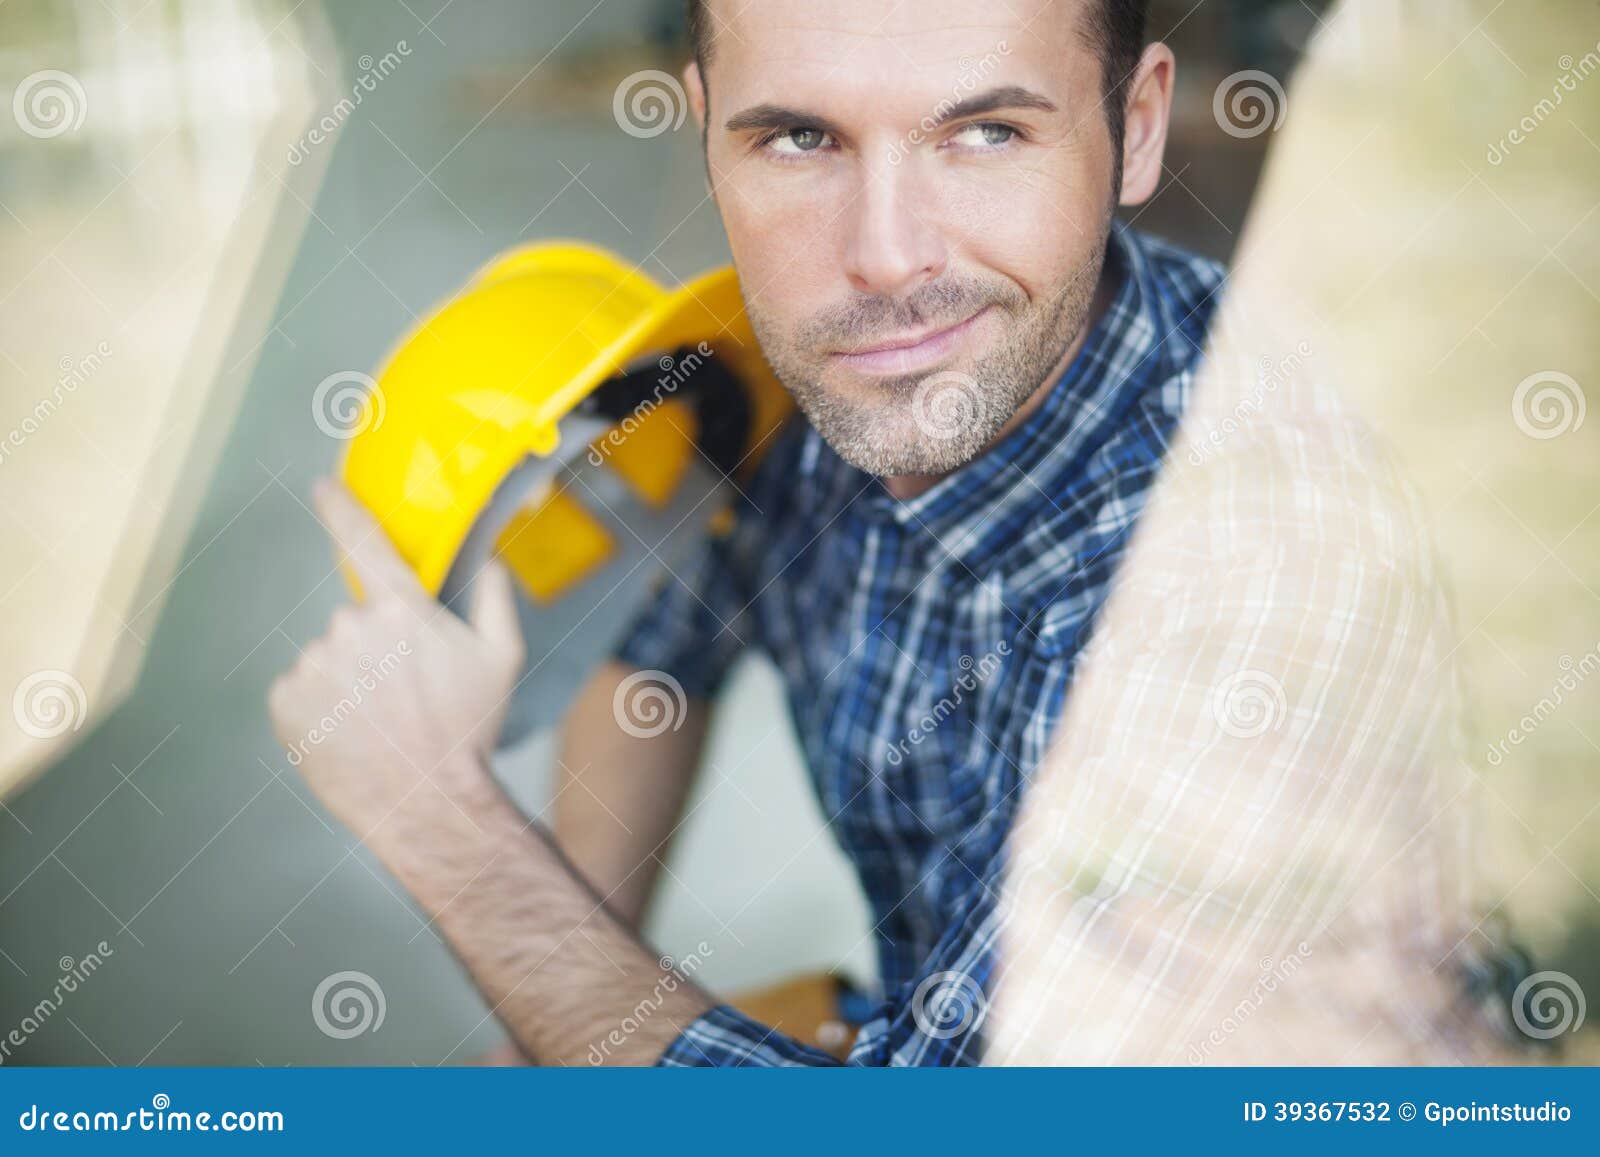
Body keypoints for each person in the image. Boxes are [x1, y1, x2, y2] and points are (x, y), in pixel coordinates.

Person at [267, 0, 1516, 1065]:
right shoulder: (812, 381)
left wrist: (450, 826)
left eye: (985, 132)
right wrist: (545, 1046)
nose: (881, 259)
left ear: (1133, 126)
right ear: (704, 127)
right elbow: (670, 635)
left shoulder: (1239, 601)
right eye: (800, 138)